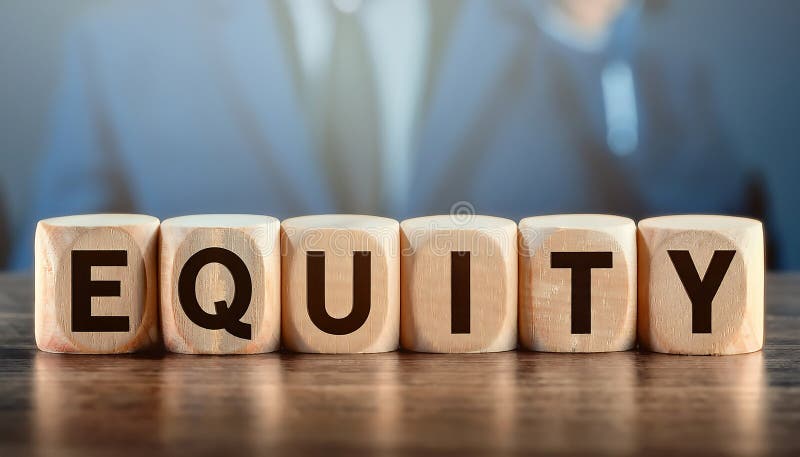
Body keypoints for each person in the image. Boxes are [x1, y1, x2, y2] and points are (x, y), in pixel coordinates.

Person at [10, 0, 756, 270]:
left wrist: (596, 35)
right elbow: (43, 296)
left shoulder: (559, 35)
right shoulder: (118, 49)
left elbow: (725, 251)